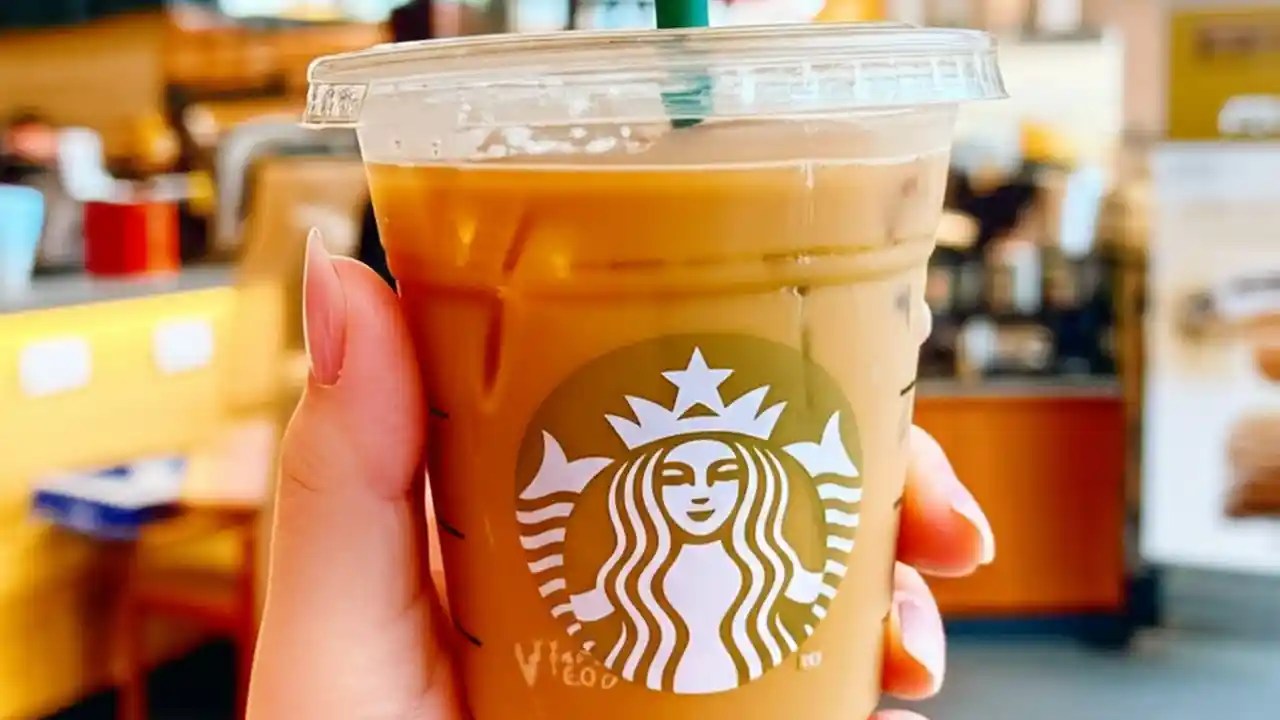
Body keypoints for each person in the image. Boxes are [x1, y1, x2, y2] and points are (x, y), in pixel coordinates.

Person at [247, 235, 999, 719]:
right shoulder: (613, 590)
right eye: (675, 476)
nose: (700, 492)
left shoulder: (782, 580)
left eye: (722, 473)